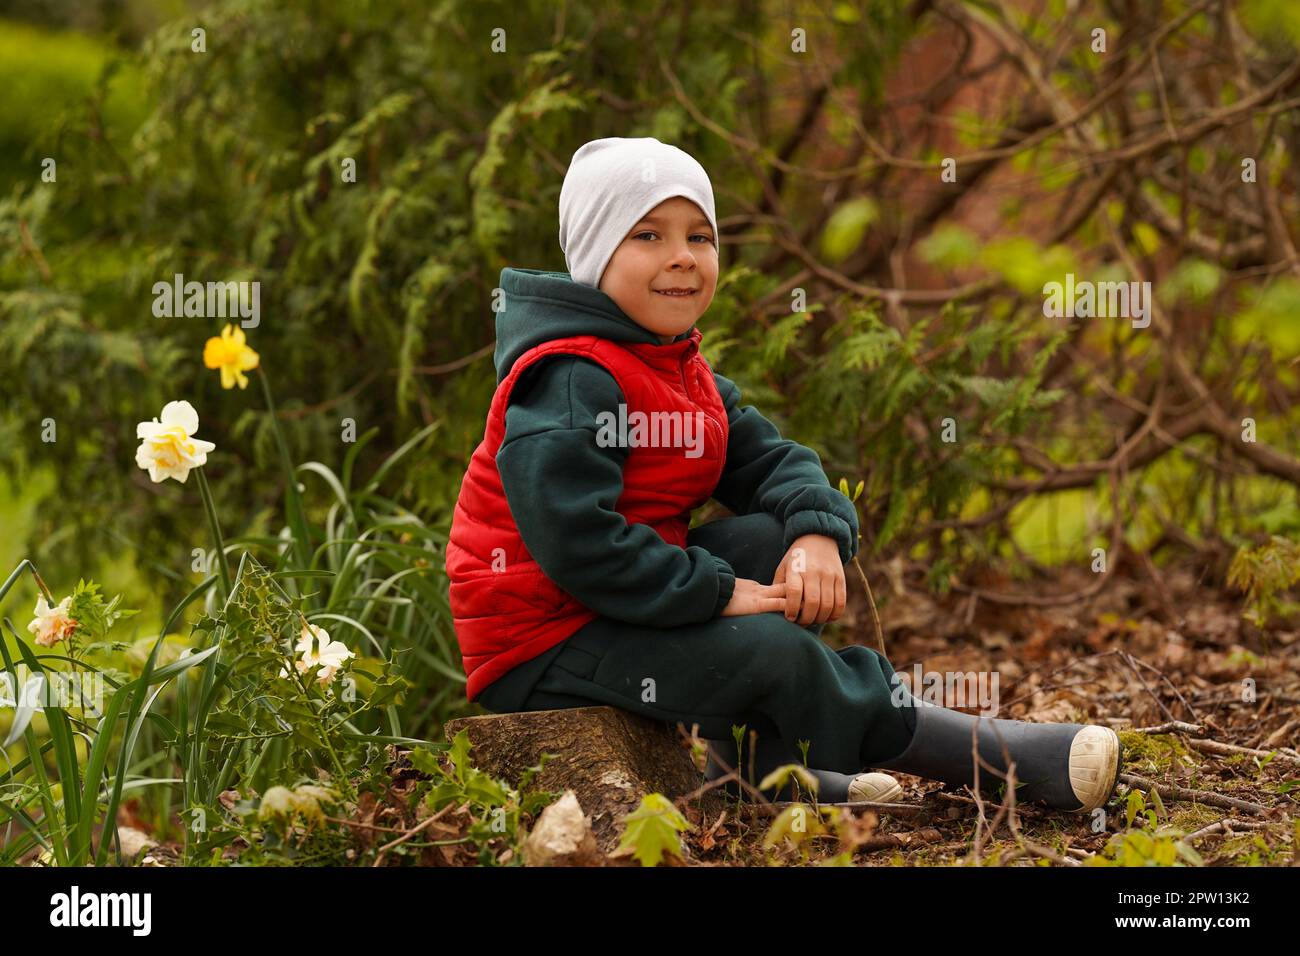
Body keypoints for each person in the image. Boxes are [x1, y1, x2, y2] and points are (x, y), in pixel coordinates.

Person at [443, 136, 1121, 811]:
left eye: (700, 236)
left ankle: (764, 776)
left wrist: (815, 534)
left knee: (773, 546)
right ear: (596, 256)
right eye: (647, 234)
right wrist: (712, 593)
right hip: (543, 644)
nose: (682, 256)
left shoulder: (676, 366)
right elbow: (577, 544)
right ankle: (992, 759)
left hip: (612, 602)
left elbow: (772, 458)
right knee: (769, 648)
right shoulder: (569, 378)